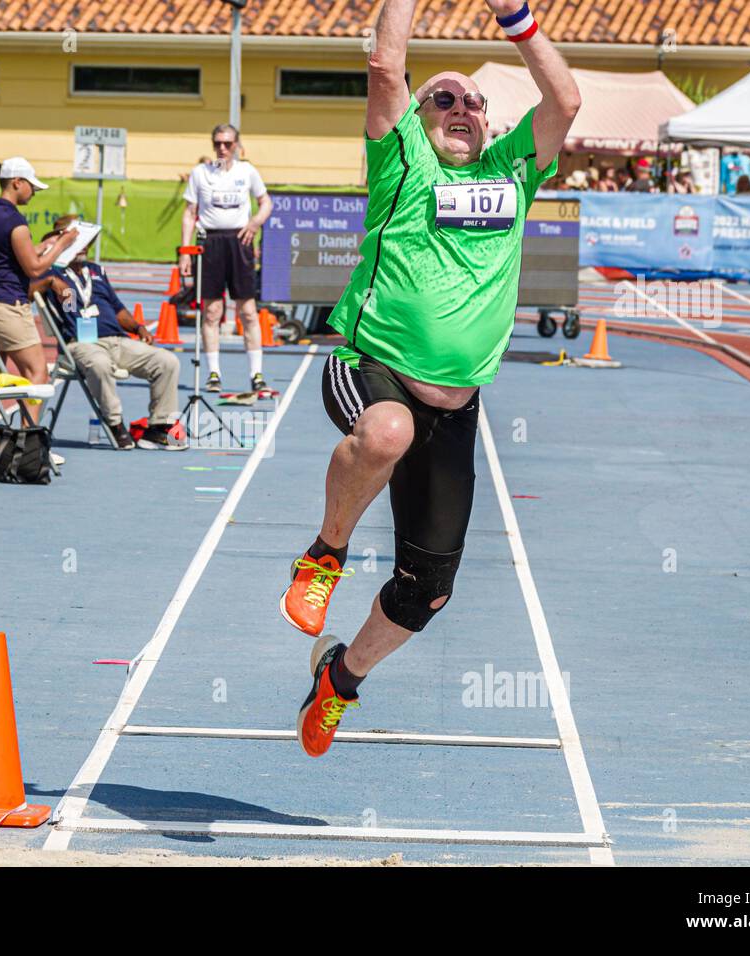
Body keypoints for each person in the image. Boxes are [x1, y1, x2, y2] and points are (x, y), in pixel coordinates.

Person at [280, 0, 579, 758]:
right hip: (372, 365)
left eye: (473, 101)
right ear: (417, 117)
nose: (461, 108)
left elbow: (566, 99)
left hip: (456, 408)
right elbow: (386, 65)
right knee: (388, 431)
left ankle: (339, 680)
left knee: (428, 591)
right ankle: (325, 555)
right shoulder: (403, 160)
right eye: (443, 97)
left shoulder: (512, 170)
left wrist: (515, 16)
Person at [33, 228, 184, 451]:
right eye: (75, 242)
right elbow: (27, 292)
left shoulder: (96, 271)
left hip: (117, 340)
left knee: (167, 361)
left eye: (84, 241)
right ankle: (114, 423)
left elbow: (117, 307)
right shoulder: (51, 272)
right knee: (100, 363)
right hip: (80, 343)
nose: (83, 246)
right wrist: (49, 280)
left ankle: (159, 427)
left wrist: (138, 327)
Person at [0, 157, 75, 467]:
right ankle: (29, 447)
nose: (34, 192)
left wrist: (44, 245)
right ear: (17, 182)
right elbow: (35, 268)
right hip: (7, 304)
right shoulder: (15, 221)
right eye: (32, 186)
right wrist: (62, 244)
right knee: (36, 373)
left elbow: (9, 256)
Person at [180, 124, 274, 394]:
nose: (222, 148)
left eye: (227, 143)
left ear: (236, 145)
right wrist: (185, 251)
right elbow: (189, 213)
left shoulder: (247, 171)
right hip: (210, 242)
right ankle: (213, 373)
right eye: (218, 143)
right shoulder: (201, 173)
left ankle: (256, 374)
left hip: (239, 241)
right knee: (212, 312)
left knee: (248, 311)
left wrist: (255, 223)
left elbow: (266, 202)